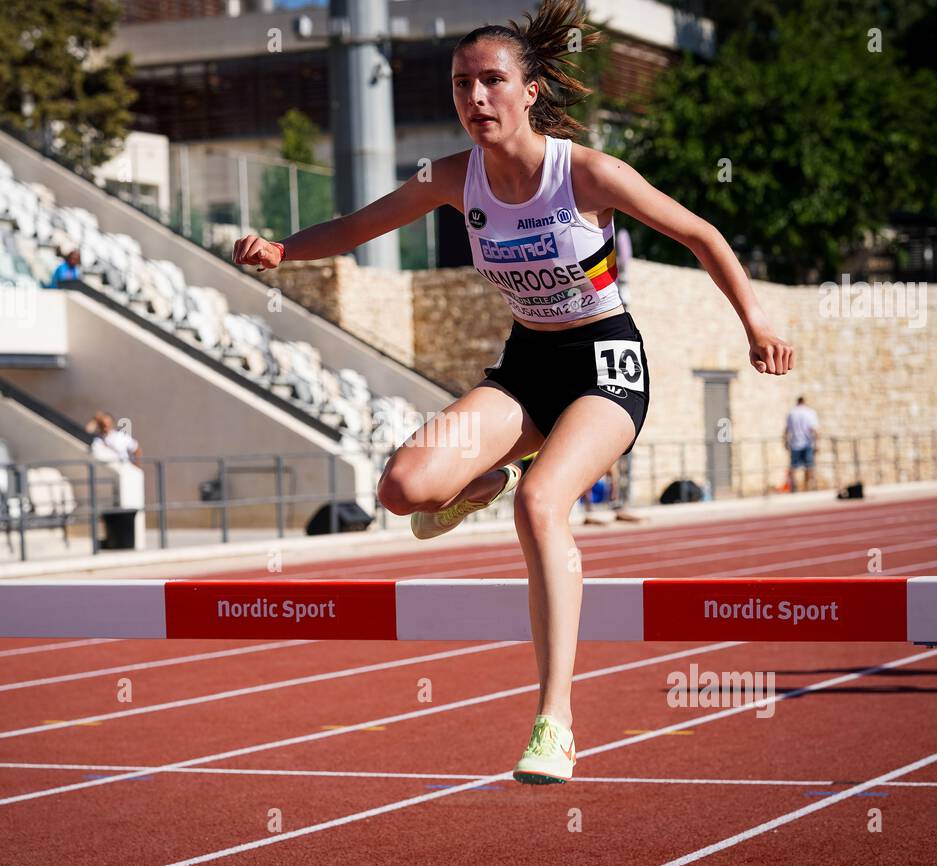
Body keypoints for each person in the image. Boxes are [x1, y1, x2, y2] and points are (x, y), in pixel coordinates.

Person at [232, 0, 794, 785]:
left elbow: (701, 233)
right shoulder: (452, 178)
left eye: (492, 81)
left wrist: (756, 322)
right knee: (403, 489)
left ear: (529, 92)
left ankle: (554, 721)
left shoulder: (587, 172)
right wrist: (282, 250)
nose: (476, 99)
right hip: (529, 365)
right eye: (463, 85)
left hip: (604, 366)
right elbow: (357, 227)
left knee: (542, 504)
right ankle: (473, 485)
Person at [784, 396, 819, 492]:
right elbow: (814, 430)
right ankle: (808, 487)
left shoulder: (791, 413)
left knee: (793, 466)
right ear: (804, 402)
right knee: (809, 466)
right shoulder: (809, 412)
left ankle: (793, 487)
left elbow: (786, 430)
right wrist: (817, 443)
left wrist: (785, 442)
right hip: (807, 443)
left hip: (795, 443)